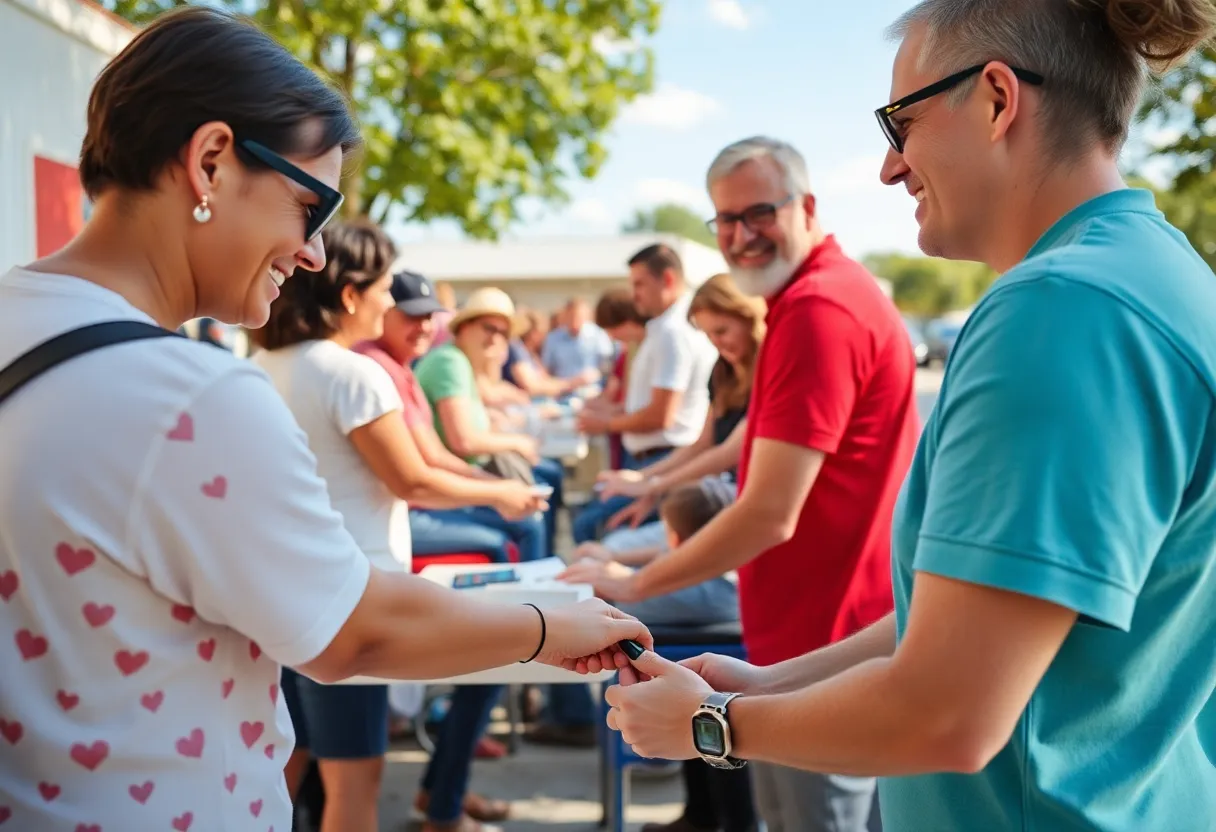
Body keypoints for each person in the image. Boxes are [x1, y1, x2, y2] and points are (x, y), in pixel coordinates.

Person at [0, 9, 651, 832]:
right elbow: (350, 634)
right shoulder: (189, 395)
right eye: (309, 206)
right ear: (210, 163)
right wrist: (549, 624)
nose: (312, 252)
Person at [605, 3, 1216, 832]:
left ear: (998, 99)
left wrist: (712, 725)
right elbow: (972, 615)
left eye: (903, 121)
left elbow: (949, 712)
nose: (891, 167)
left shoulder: (1060, 311)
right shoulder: (1156, 272)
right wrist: (762, 683)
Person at [583, 136, 921, 832]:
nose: (740, 236)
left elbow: (769, 512)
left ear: (806, 207)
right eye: (724, 221)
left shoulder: (818, 311)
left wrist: (637, 583)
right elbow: (742, 444)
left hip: (828, 635)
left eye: (758, 213)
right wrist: (656, 485)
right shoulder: (806, 301)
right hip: (808, 636)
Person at [252, 225, 551, 830]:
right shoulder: (352, 374)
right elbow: (412, 480)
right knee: (353, 789)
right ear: (350, 295)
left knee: (286, 773)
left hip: (280, 597)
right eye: (386, 289)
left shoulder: (264, 364)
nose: (392, 304)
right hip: (348, 602)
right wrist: (503, 493)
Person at [356, 271, 548, 565]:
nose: (423, 327)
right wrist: (496, 491)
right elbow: (429, 470)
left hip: (404, 506)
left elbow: (435, 455)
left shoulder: (403, 366)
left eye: (429, 316)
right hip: (397, 513)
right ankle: (537, 607)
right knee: (519, 531)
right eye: (411, 316)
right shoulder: (386, 366)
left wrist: (497, 488)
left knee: (528, 513)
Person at [572, 245, 718, 544]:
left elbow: (660, 415)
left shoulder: (672, 332)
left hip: (664, 454)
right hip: (660, 456)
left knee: (590, 526)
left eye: (639, 284)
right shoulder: (666, 328)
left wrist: (607, 424)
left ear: (666, 279)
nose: (634, 294)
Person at [413, 287, 565, 554]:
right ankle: (537, 589)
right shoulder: (450, 361)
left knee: (540, 496)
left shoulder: (459, 359)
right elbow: (463, 441)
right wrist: (516, 443)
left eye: (503, 333)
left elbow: (477, 417)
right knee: (531, 521)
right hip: (448, 486)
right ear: (465, 327)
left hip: (459, 478)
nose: (496, 338)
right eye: (489, 328)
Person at [540, 297, 614, 382]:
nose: (574, 321)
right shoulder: (553, 338)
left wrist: (596, 374)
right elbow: (546, 368)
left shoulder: (599, 335)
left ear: (587, 316)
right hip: (562, 390)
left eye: (578, 317)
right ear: (565, 315)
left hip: (593, 390)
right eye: (571, 316)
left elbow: (607, 364)